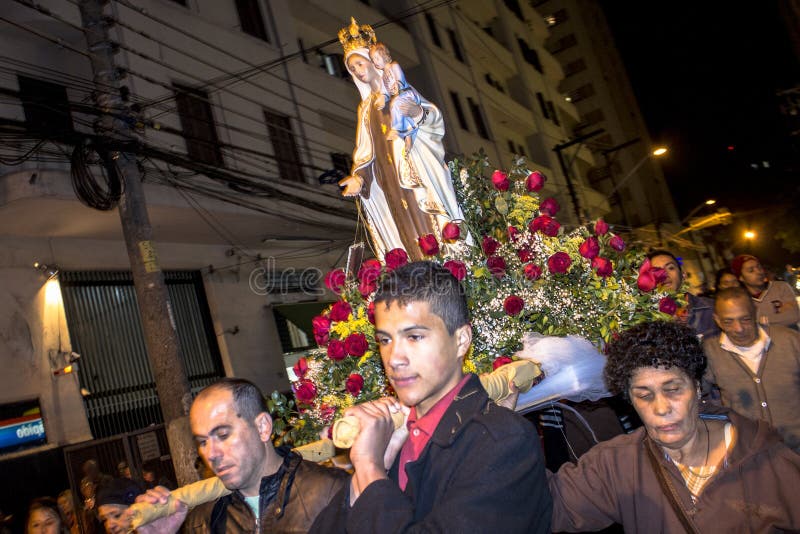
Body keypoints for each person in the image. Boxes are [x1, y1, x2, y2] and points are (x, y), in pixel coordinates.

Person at [313, 261, 551, 532]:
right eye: (385, 340)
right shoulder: (391, 436)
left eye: (414, 337)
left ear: (461, 340)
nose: (394, 359)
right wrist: (381, 462)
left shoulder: (503, 440)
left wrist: (368, 469)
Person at [549, 320, 800, 532]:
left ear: (698, 387)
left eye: (673, 389)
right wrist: (508, 423)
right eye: (644, 395)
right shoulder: (617, 464)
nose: (661, 408)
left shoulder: (767, 457)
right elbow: (544, 508)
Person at [134, 378, 349, 533]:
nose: (211, 454)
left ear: (263, 427)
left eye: (223, 435)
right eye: (202, 442)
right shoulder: (202, 522)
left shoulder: (330, 493)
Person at [337, 19, 465, 261]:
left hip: (415, 175)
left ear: (372, 61)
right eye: (352, 69)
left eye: (359, 63)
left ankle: (447, 268)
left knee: (430, 231)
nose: (357, 71)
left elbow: (433, 120)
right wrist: (359, 179)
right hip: (390, 185)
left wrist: (416, 114)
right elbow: (368, 154)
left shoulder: (399, 90)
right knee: (405, 237)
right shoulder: (366, 111)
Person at [703, 287, 800, 451]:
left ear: (755, 312)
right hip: (754, 456)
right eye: (728, 321)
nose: (738, 328)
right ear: (717, 320)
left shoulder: (790, 341)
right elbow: (694, 395)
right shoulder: (711, 352)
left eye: (745, 319)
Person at [648, 250, 718, 339]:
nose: (664, 275)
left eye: (670, 268)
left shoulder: (712, 308)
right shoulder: (647, 320)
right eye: (656, 271)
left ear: (683, 274)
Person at [369, 42, 422, 154]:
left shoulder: (394, 66)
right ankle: (408, 137)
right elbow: (384, 91)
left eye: (377, 58)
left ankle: (397, 130)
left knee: (396, 104)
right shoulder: (383, 76)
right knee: (396, 106)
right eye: (373, 60)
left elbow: (400, 78)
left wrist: (397, 85)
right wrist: (383, 98)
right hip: (399, 97)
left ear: (385, 56)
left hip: (406, 94)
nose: (375, 62)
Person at [732, 254, 799, 329]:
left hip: (791, 339)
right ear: (741, 278)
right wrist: (779, 315)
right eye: (751, 270)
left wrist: (757, 321)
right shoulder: (741, 300)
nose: (758, 272)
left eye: (759, 267)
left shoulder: (781, 287)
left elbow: (794, 316)